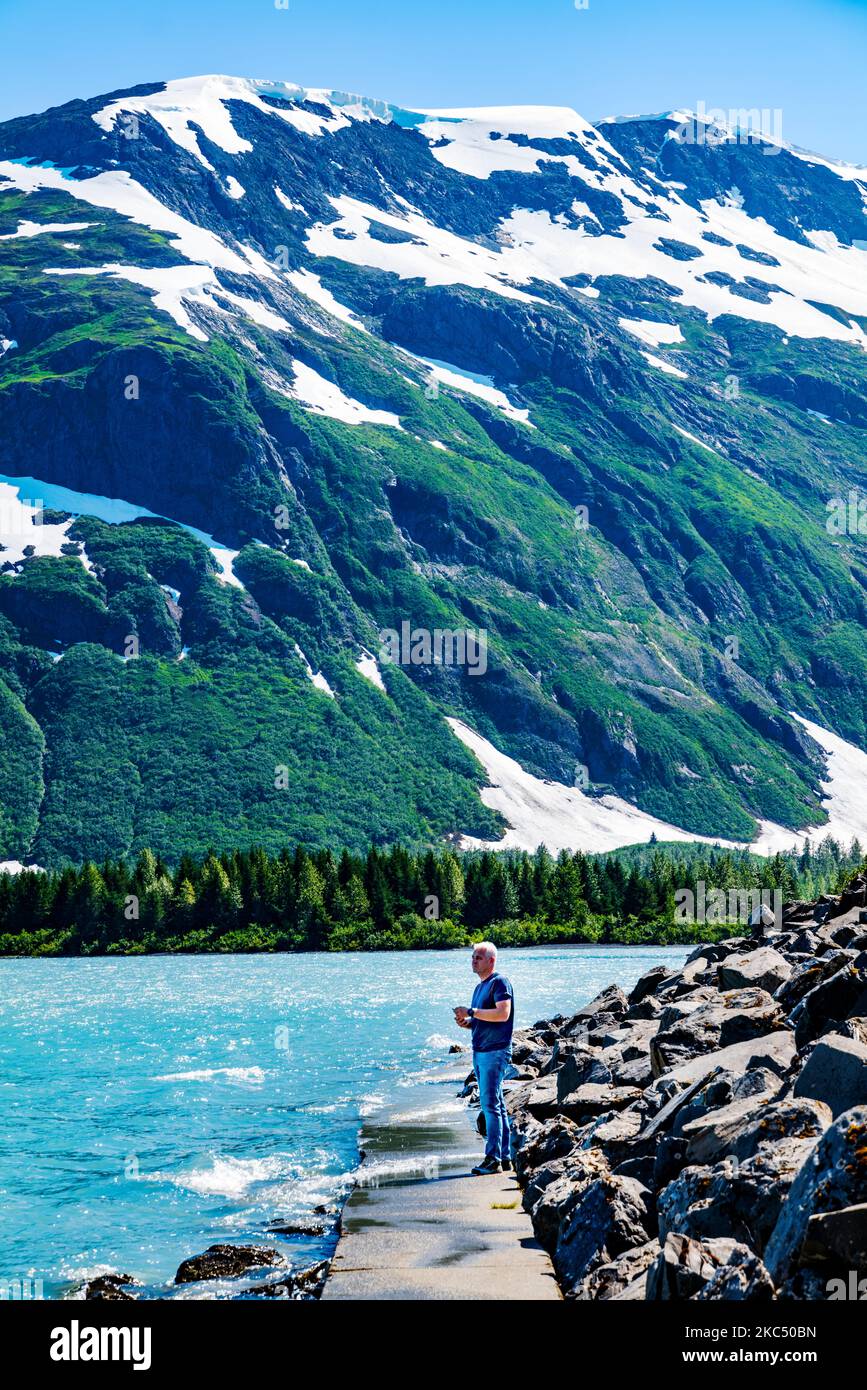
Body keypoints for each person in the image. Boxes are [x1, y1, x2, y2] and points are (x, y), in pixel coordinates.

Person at [454, 942, 514, 1175]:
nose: (474, 960)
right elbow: (483, 1020)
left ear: (492, 961)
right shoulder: (479, 987)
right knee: (496, 1104)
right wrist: (468, 1023)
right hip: (481, 1050)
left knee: (489, 1104)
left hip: (495, 1051)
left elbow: (503, 1013)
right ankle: (505, 1156)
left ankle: (493, 1159)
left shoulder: (499, 982)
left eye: (479, 957)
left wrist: (472, 1012)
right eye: (472, 956)